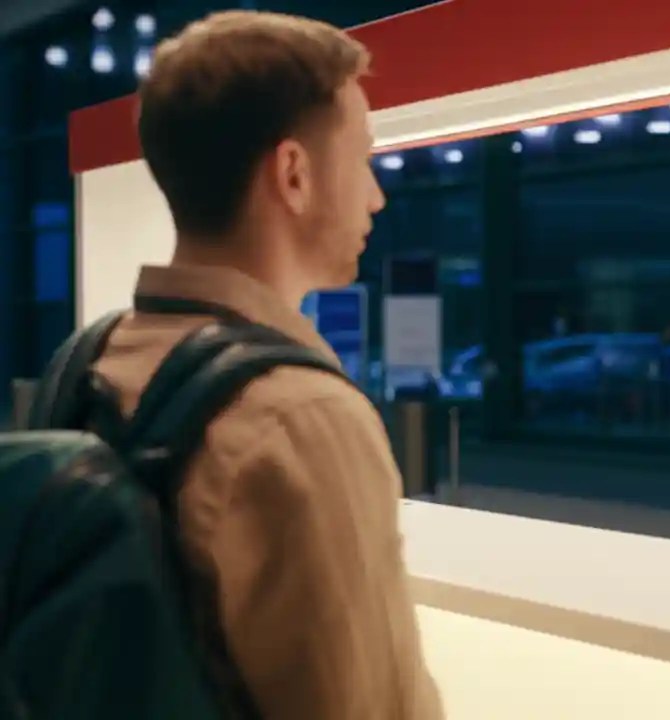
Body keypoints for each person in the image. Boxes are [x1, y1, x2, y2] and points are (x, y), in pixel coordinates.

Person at [91, 11, 444, 718]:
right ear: (293, 175)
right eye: (364, 159)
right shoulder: (299, 417)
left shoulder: (90, 361)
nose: (376, 195)